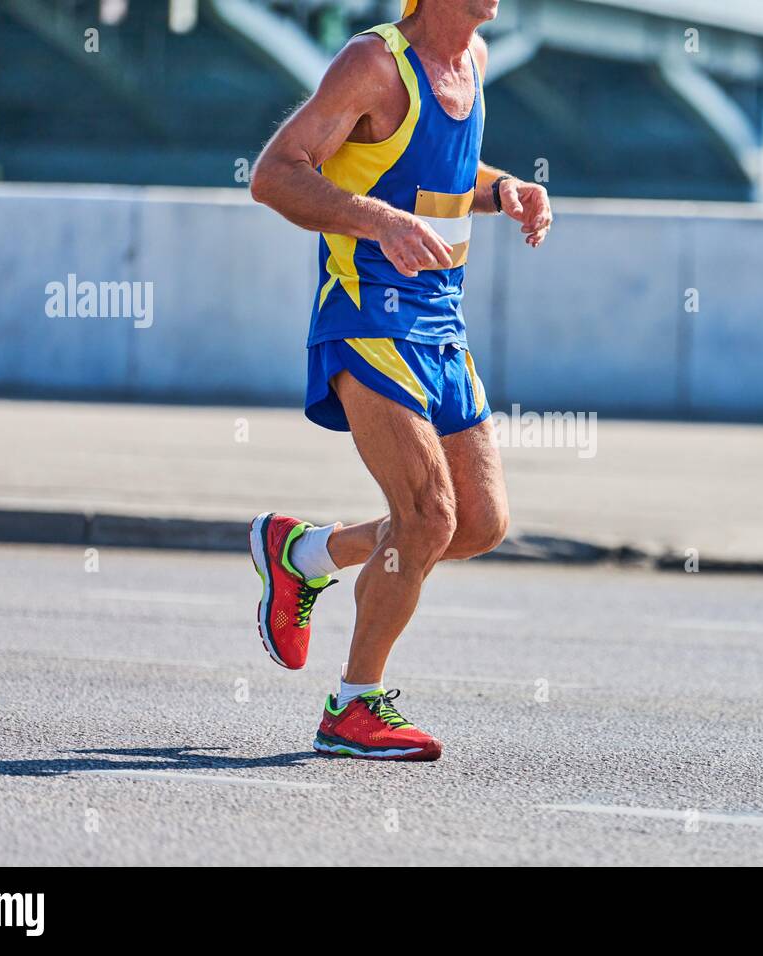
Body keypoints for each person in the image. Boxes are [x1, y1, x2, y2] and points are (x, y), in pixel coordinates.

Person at [246, 0, 552, 761]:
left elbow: (438, 176)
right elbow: (275, 175)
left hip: (441, 325)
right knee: (425, 516)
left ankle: (304, 555)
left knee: (478, 523)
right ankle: (352, 709)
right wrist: (375, 222)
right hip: (364, 316)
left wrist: (503, 189)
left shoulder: (472, 64)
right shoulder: (375, 64)